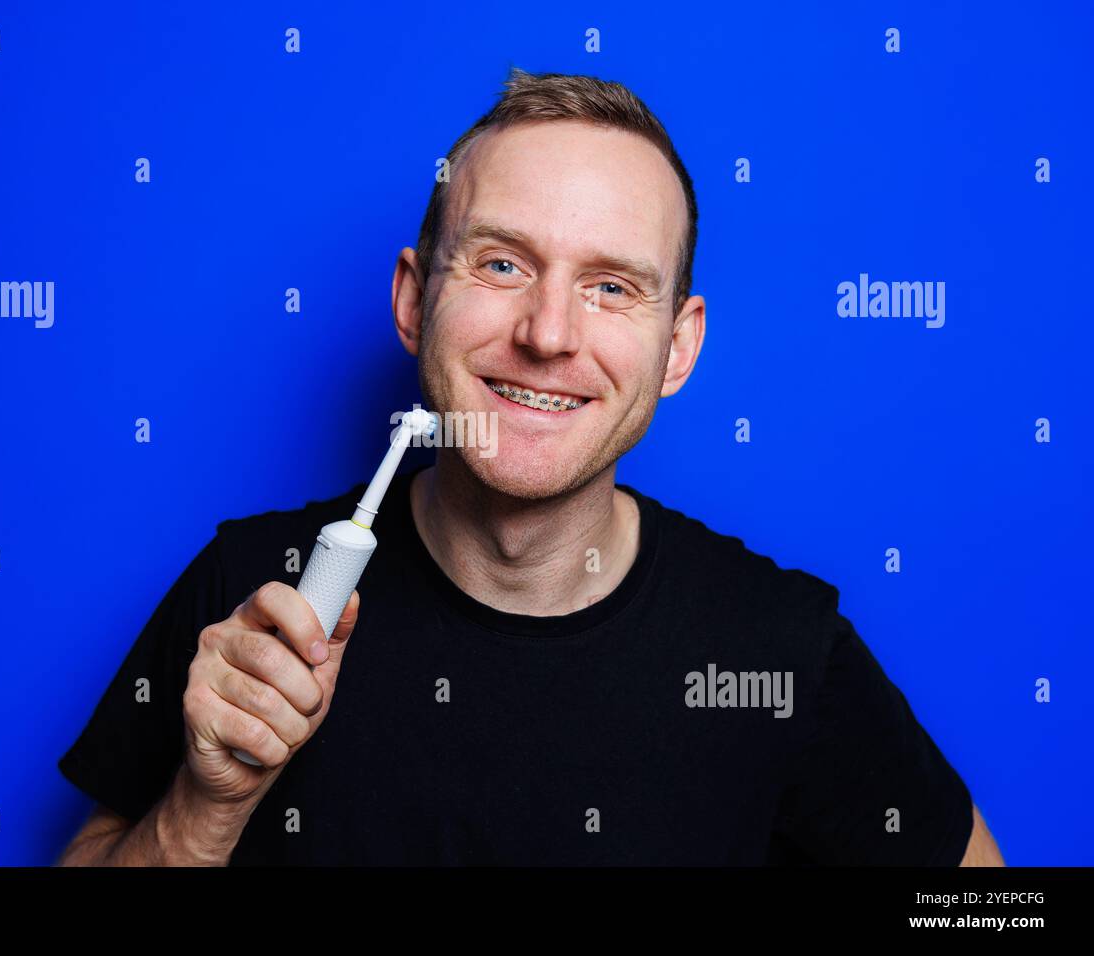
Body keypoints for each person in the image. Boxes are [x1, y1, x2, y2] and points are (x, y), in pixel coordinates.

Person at [56, 68, 1004, 866]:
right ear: (413, 300)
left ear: (678, 348)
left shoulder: (782, 650)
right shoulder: (251, 593)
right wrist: (203, 810)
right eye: (502, 264)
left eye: (610, 287)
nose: (549, 334)